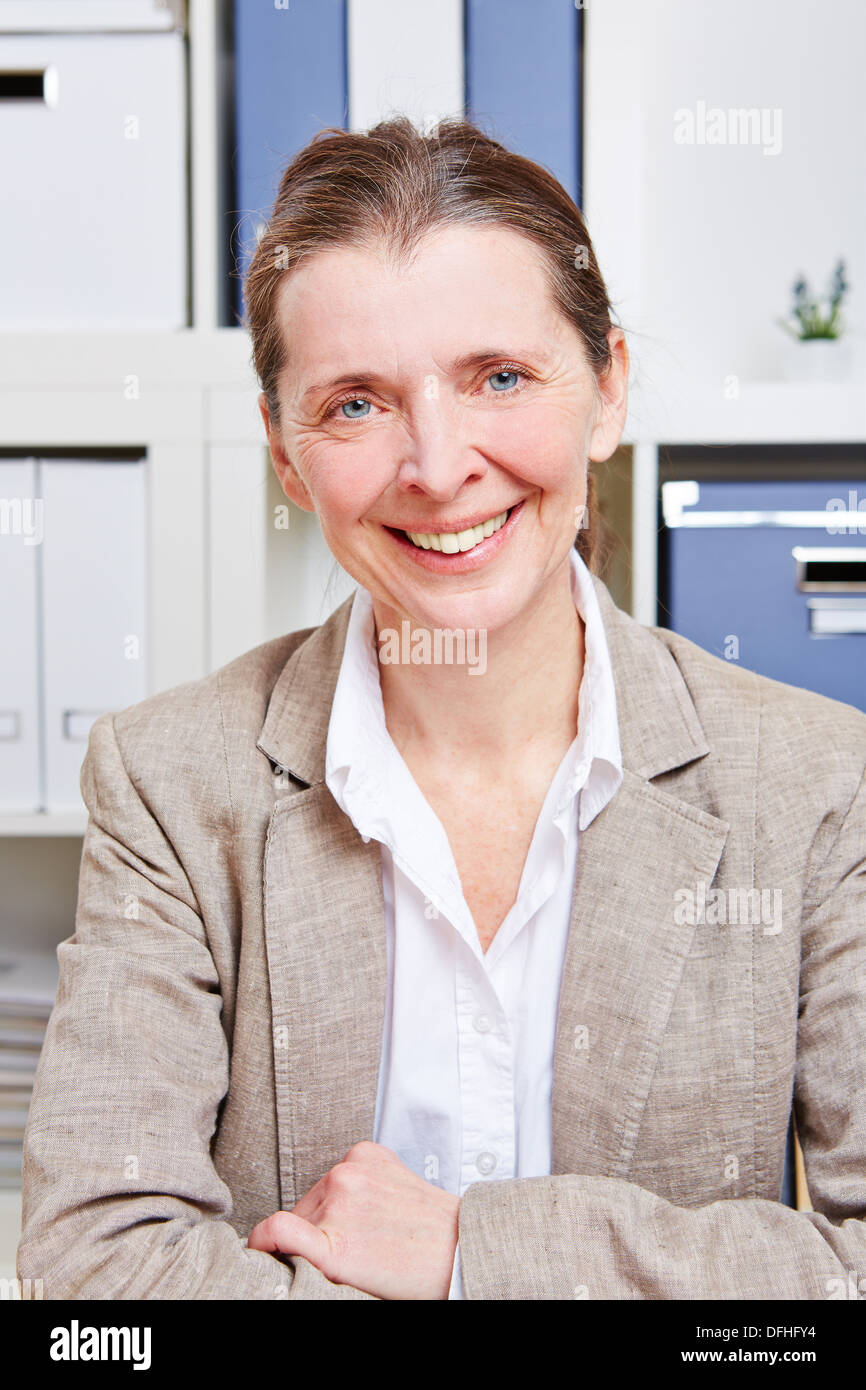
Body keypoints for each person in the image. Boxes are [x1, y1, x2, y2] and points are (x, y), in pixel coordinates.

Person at [18, 116, 866, 1300]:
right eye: (356, 404)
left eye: (499, 378)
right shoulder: (169, 783)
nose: (435, 464)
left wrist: (474, 1256)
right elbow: (90, 1276)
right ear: (283, 450)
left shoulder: (822, 784)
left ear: (606, 390)